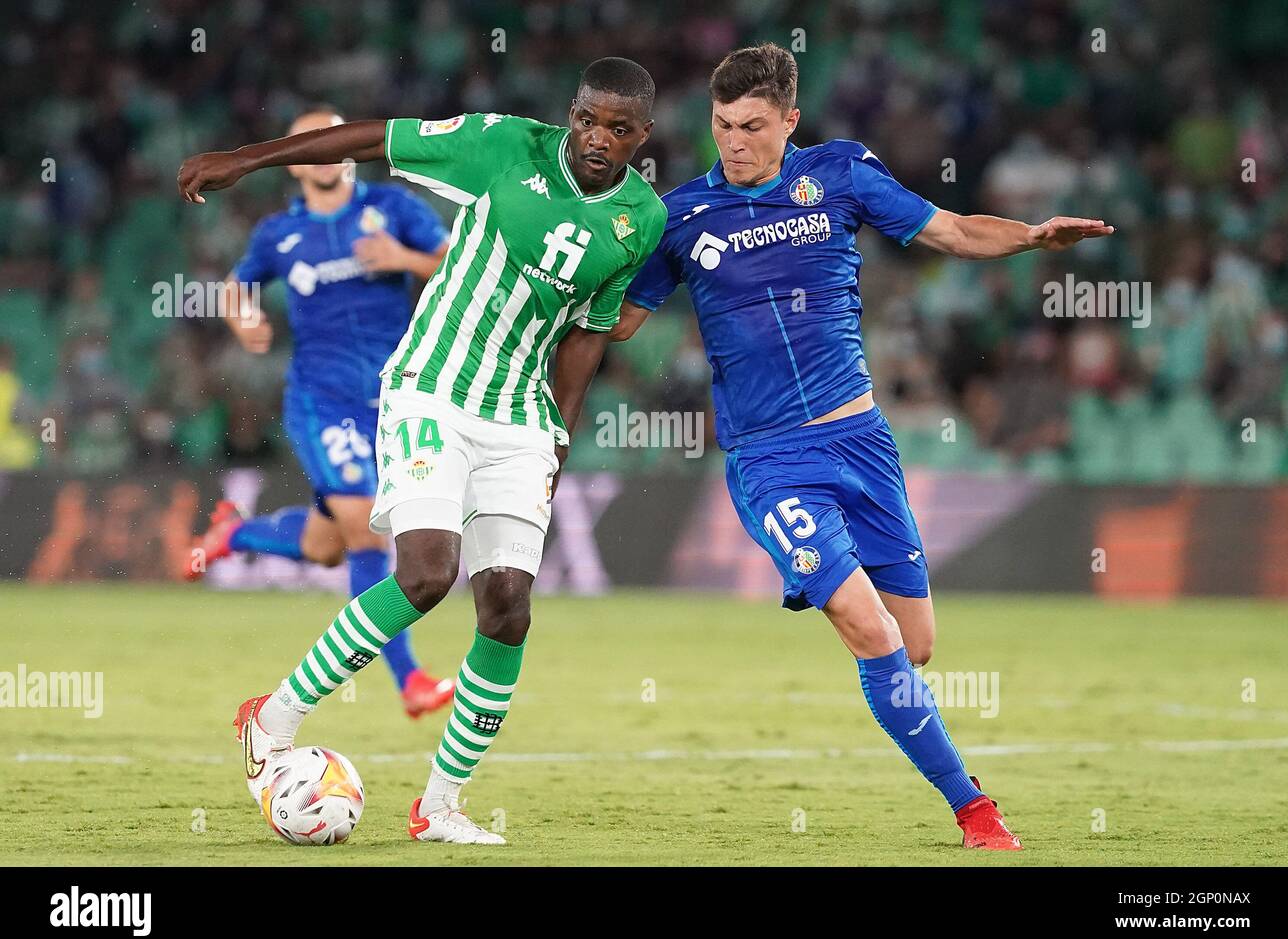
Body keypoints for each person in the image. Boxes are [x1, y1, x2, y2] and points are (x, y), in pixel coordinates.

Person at [614, 43, 1113, 850]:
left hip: (861, 443)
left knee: (914, 645)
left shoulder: (841, 175)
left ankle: (934, 748)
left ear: (790, 122)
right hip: (770, 459)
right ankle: (974, 811)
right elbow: (623, 321)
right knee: (867, 628)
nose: (733, 142)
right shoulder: (680, 216)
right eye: (720, 126)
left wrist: (1029, 237)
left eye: (750, 126)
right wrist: (593, 263)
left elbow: (949, 230)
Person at [178, 58, 667, 844]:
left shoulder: (642, 219)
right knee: (427, 572)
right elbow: (375, 137)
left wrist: (559, 439)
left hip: (520, 417)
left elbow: (588, 333)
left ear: (642, 136)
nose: (597, 138)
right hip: (431, 387)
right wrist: (248, 157)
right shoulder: (504, 144)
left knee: (507, 609)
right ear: (570, 111)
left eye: (618, 128)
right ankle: (270, 720)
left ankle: (439, 807)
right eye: (587, 119)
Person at [187, 107, 456, 719]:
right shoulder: (280, 233)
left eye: (330, 139)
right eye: (307, 143)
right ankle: (410, 678)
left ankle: (236, 532)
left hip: (394, 400)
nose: (322, 151)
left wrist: (403, 260)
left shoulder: (392, 209)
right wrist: (244, 318)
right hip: (320, 401)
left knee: (327, 546)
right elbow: (235, 286)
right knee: (365, 528)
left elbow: (457, 265)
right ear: (292, 160)